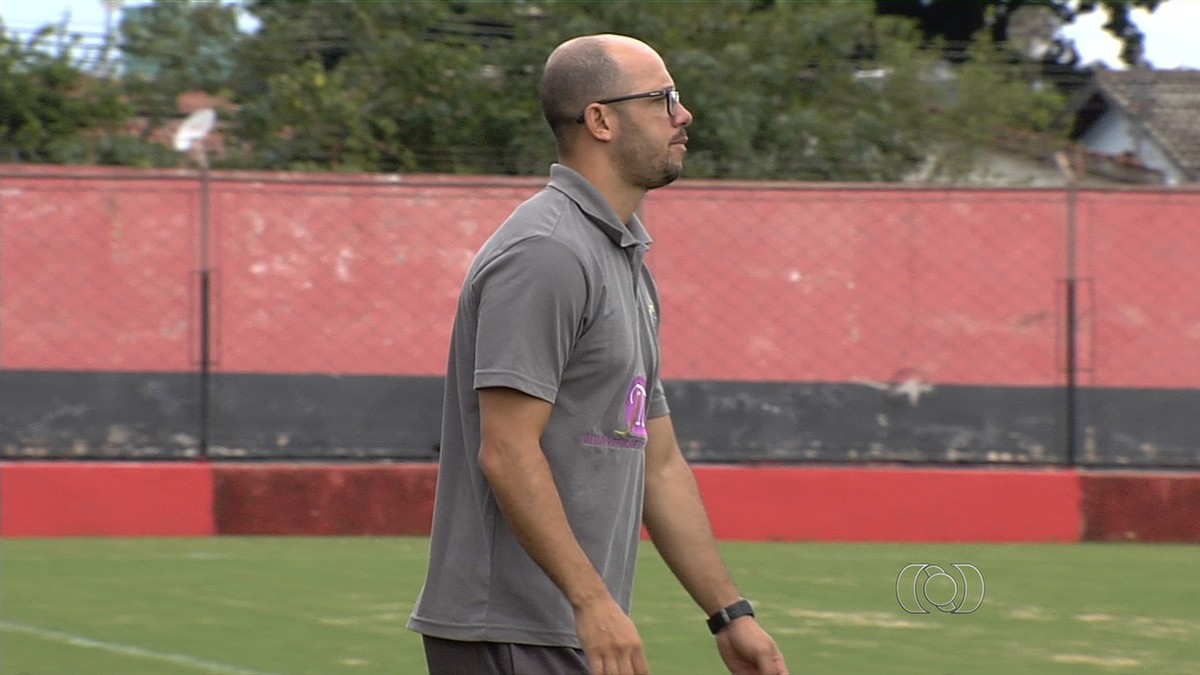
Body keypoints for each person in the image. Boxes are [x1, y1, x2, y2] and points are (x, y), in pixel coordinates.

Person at [408, 33, 790, 675]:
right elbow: (507, 449)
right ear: (601, 120)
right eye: (663, 98)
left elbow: (659, 463)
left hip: (569, 629)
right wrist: (593, 602)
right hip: (511, 631)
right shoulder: (547, 253)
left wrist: (730, 615)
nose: (684, 114)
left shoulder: (622, 256)